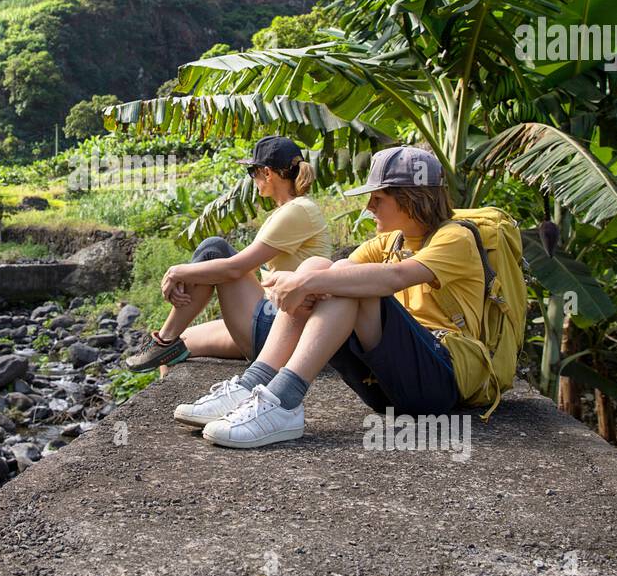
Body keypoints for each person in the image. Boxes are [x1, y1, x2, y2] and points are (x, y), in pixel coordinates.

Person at [178, 144, 490, 449]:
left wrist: (305, 282)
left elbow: (395, 277)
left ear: (412, 199)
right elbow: (328, 272)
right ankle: (253, 385)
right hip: (386, 389)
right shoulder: (391, 241)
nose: (369, 207)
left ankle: (284, 402)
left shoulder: (455, 238)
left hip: (440, 380)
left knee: (341, 278)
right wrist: (302, 279)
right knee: (323, 268)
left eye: (378, 198)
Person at [124, 136, 333, 393]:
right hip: (271, 320)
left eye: (252, 172)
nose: (252, 179)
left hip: (282, 329)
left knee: (214, 249)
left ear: (267, 173)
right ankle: (169, 369)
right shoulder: (292, 210)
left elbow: (235, 268)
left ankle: (163, 340)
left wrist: (176, 271)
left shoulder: (298, 211)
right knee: (182, 346)